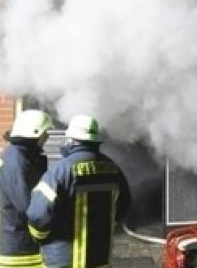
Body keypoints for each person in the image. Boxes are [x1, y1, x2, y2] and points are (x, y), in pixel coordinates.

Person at [27, 115, 132, 268]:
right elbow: (123, 208)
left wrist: (39, 235)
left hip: (64, 260)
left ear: (71, 140)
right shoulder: (113, 169)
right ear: (96, 141)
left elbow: (38, 214)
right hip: (99, 258)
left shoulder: (59, 171)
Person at [0, 109, 53, 268]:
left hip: (25, 244)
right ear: (34, 133)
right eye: (45, 132)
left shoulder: (26, 157)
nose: (47, 136)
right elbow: (27, 205)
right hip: (16, 251)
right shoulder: (15, 162)